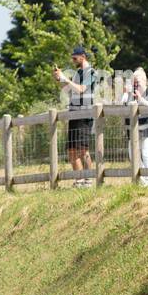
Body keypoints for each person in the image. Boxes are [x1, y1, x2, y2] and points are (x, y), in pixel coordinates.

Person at [53, 45, 97, 188]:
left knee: (83, 149)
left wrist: (66, 78)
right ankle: (79, 181)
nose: (73, 60)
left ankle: (88, 180)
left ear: (82, 56)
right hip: (74, 112)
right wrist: (60, 79)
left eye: (75, 58)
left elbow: (81, 90)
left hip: (84, 114)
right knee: (72, 150)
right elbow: (69, 90)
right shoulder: (78, 72)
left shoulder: (90, 72)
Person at [122, 68, 148, 186]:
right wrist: (125, 93)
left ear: (145, 81)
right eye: (133, 82)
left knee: (146, 152)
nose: (135, 84)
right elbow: (119, 104)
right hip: (133, 130)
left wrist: (140, 98)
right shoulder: (130, 94)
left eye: (137, 81)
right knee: (133, 155)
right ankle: (143, 180)